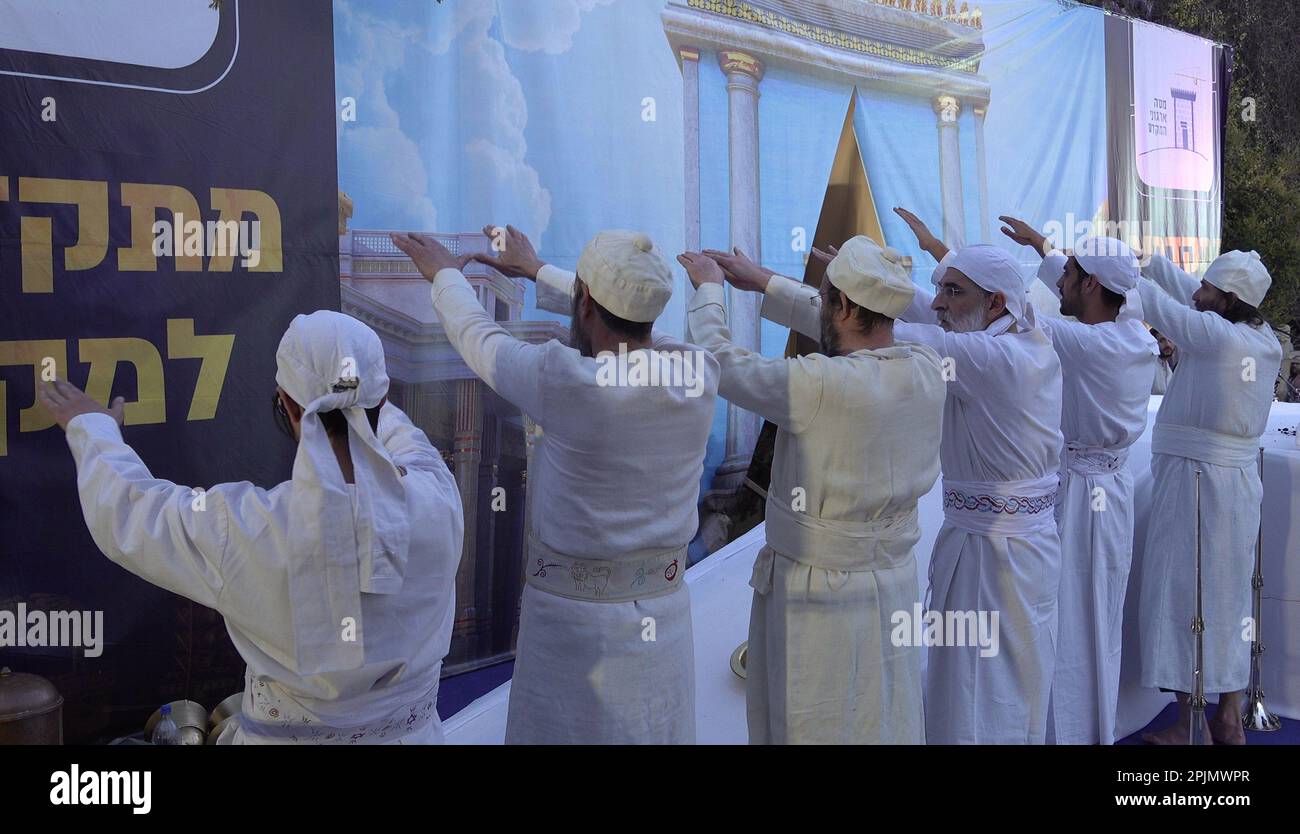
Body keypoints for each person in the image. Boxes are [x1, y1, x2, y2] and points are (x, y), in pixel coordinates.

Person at [39, 311, 464, 744]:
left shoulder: (245, 529)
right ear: (383, 397)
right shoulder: (439, 495)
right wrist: (355, 386)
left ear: (287, 404)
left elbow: (130, 511)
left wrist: (92, 428)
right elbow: (402, 433)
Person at [392, 225, 718, 744]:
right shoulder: (697, 373)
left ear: (583, 301)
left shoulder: (564, 378)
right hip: (663, 625)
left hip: (572, 632)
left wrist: (446, 276)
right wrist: (538, 271)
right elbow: (635, 324)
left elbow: (480, 339)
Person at [678, 237, 945, 743]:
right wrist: (763, 282)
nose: (819, 306)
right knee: (881, 717)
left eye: (825, 299)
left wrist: (710, 291)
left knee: (812, 722)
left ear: (841, 306)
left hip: (817, 596)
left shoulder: (819, 384)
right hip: (892, 588)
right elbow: (858, 324)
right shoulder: (928, 366)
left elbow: (718, 361)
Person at [888, 207, 1064, 744]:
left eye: (952, 292)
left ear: (995, 304)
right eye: (940, 289)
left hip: (996, 560)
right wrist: (937, 254)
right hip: (1010, 551)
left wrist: (779, 286)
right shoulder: (1023, 335)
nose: (937, 303)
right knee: (997, 691)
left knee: (983, 698)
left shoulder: (992, 357)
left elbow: (885, 334)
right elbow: (929, 312)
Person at [998, 216, 1159, 745]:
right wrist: (1040, 245)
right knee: (1089, 616)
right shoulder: (1128, 328)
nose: (1059, 282)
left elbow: (1010, 310)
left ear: (1090, 284)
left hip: (1085, 502)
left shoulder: (1092, 344)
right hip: (1098, 494)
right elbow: (1073, 288)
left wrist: (942, 255)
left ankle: (1069, 734)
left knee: (1070, 618)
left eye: (1069, 274)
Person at [1132, 248, 1281, 745]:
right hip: (1233, 486)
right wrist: (1153, 261)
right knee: (1227, 598)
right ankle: (1229, 718)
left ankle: (1189, 724)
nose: (1197, 293)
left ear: (1229, 299)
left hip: (1195, 484)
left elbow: (1159, 304)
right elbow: (1188, 294)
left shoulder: (1217, 337)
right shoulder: (1260, 337)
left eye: (1208, 288)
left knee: (1184, 595)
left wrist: (1119, 268)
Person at [1149, 327, 1178, 395]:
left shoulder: (1167, 368)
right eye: (1162, 340)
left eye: (1170, 340)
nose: (1167, 344)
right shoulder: (1148, 366)